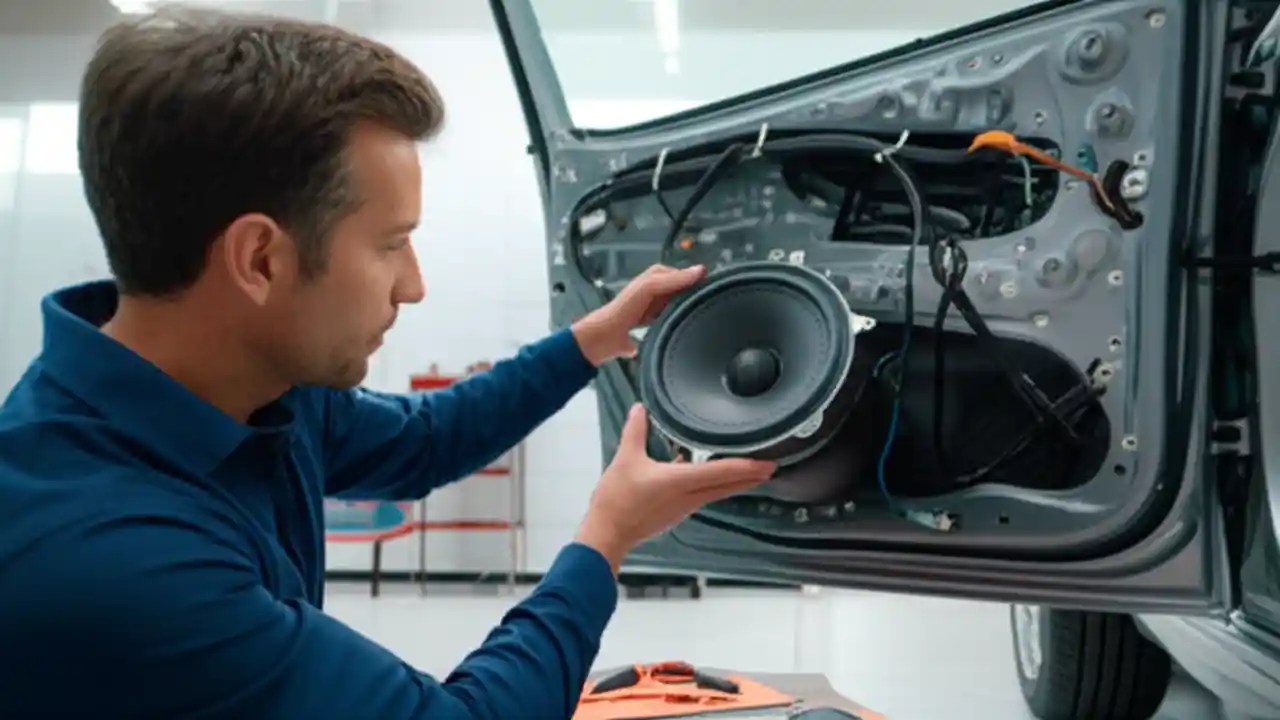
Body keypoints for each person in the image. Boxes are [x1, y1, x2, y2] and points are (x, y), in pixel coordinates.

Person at [0, 8, 777, 720]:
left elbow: (426, 441)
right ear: (261, 259)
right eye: (389, 243)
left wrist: (588, 340)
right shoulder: (114, 557)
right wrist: (607, 537)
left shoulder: (254, 385)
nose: (414, 283)